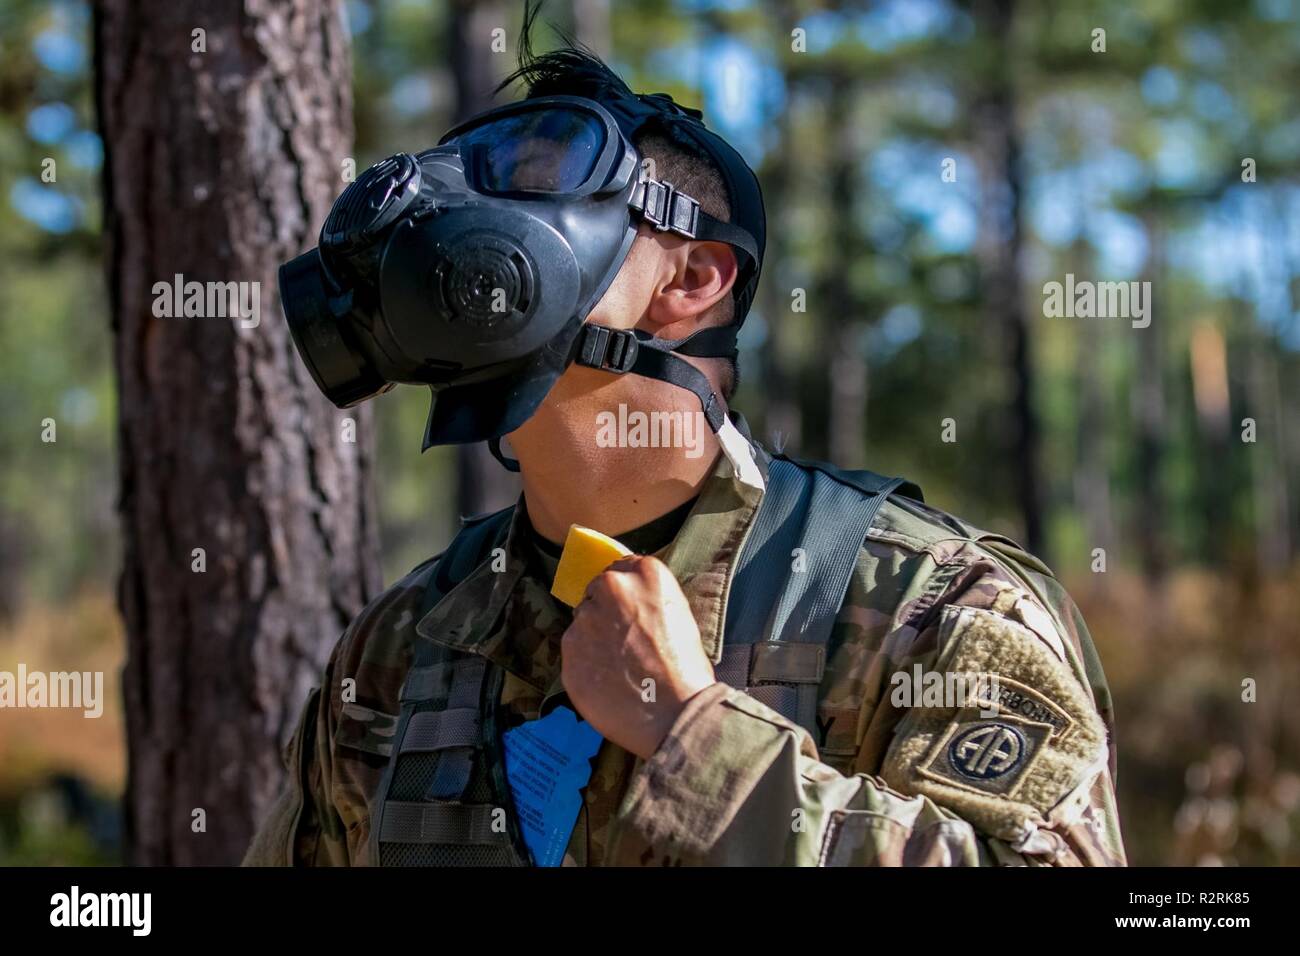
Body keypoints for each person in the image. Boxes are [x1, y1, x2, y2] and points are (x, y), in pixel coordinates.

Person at [244, 40, 1125, 868]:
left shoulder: (923, 612)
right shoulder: (402, 646)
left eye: (541, 186)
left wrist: (695, 739)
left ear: (692, 279)